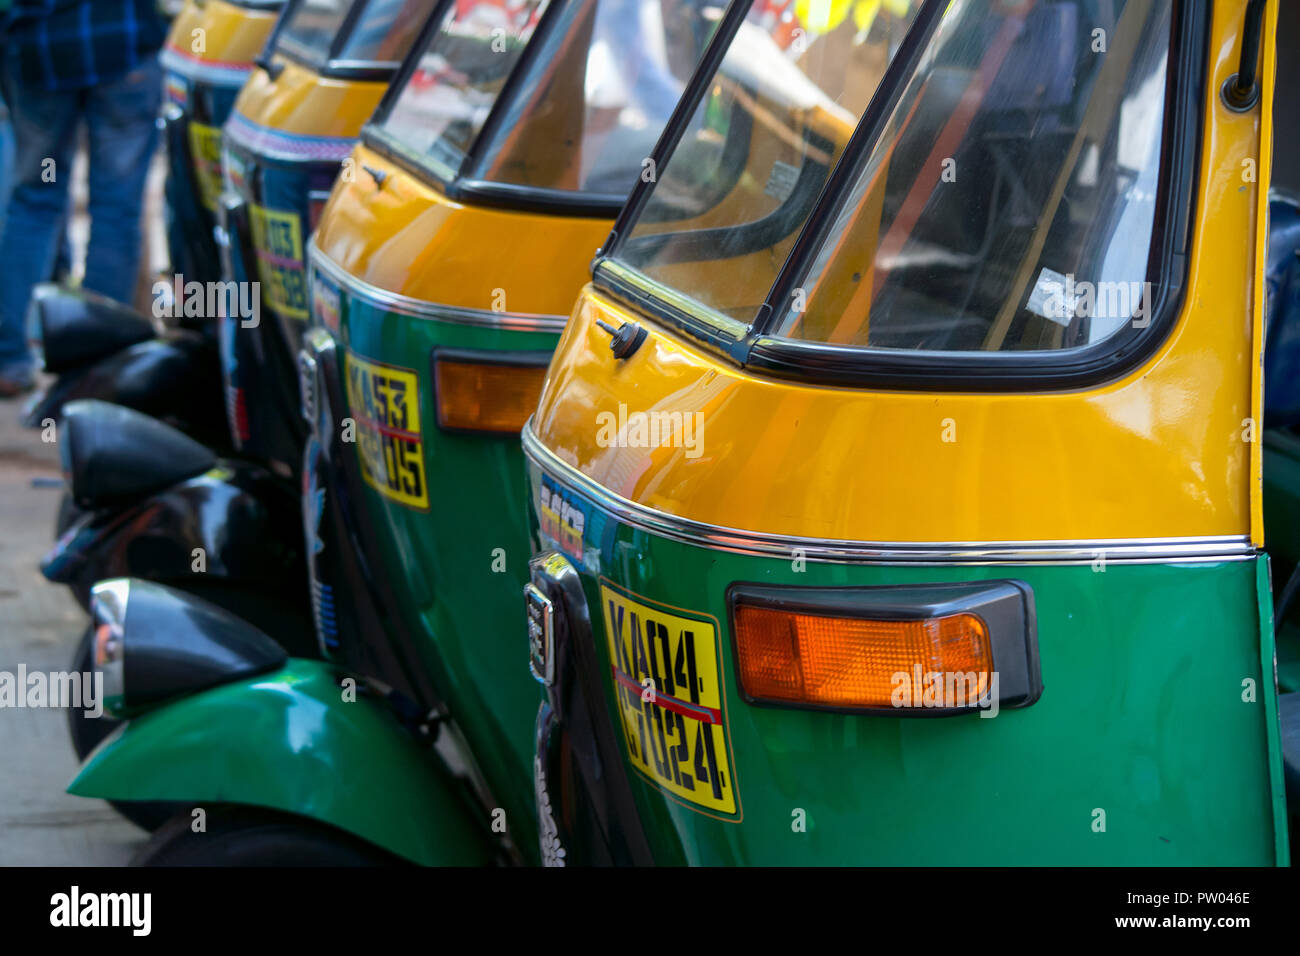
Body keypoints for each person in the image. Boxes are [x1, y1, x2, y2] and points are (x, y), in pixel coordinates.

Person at [0, 0, 167, 396]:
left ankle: (11, 359)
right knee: (116, 209)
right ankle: (96, 370)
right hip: (122, 44)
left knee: (35, 202)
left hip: (40, 47)